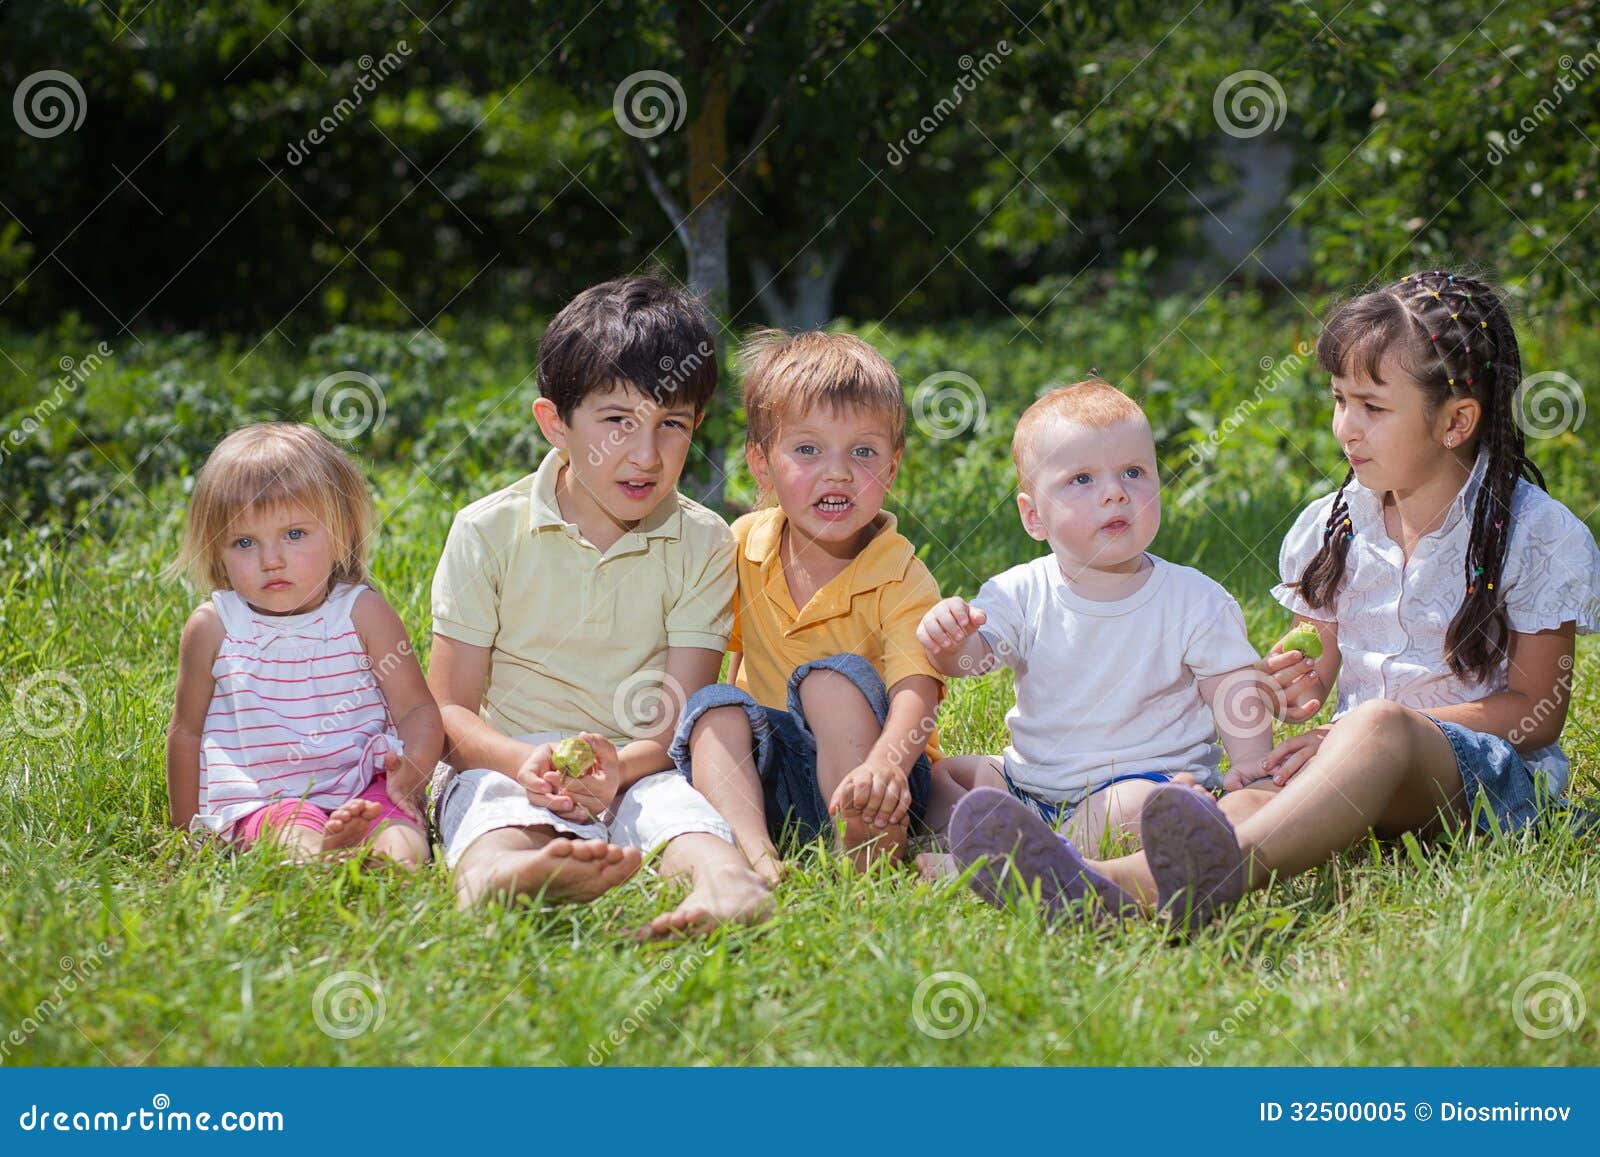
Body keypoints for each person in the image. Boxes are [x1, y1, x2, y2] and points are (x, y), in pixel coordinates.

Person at [950, 271, 1600, 931]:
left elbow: (1535, 715)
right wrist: (1290, 687)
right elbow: (1310, 678)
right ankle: (1101, 887)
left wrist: (1358, 729)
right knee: (1242, 799)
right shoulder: (1337, 525)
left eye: (1372, 407)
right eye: (1340, 399)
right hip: (1352, 769)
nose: (1347, 426)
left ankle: (1211, 877)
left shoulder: (1536, 535)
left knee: (1377, 723)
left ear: (1457, 419)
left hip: (1489, 785)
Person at [427, 275, 772, 937]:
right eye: (617, 422)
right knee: (491, 815)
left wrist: (618, 770)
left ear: (696, 424)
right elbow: (447, 713)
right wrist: (519, 762)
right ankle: (503, 876)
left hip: (639, 762)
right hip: (509, 759)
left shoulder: (702, 541)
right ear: (555, 422)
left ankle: (728, 886)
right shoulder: (486, 530)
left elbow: (677, 720)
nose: (645, 455)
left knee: (685, 818)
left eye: (670, 424)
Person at [669, 330, 945, 879]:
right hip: (774, 777)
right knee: (714, 706)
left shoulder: (900, 573)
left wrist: (888, 766)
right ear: (762, 465)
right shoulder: (742, 545)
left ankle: (864, 854)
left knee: (829, 680)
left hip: (878, 775)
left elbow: (918, 687)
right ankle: (755, 854)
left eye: (863, 452)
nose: (837, 471)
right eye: (808, 449)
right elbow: (727, 660)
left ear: (891, 469)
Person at [166, 423, 439, 865]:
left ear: (343, 534)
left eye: (294, 534)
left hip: (367, 782)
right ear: (217, 551)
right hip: (268, 796)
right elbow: (186, 733)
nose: (270, 559)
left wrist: (413, 771)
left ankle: (390, 862)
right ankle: (322, 858)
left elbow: (416, 708)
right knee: (288, 836)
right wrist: (184, 832)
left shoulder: (363, 613)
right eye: (244, 541)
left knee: (403, 838)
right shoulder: (215, 627)